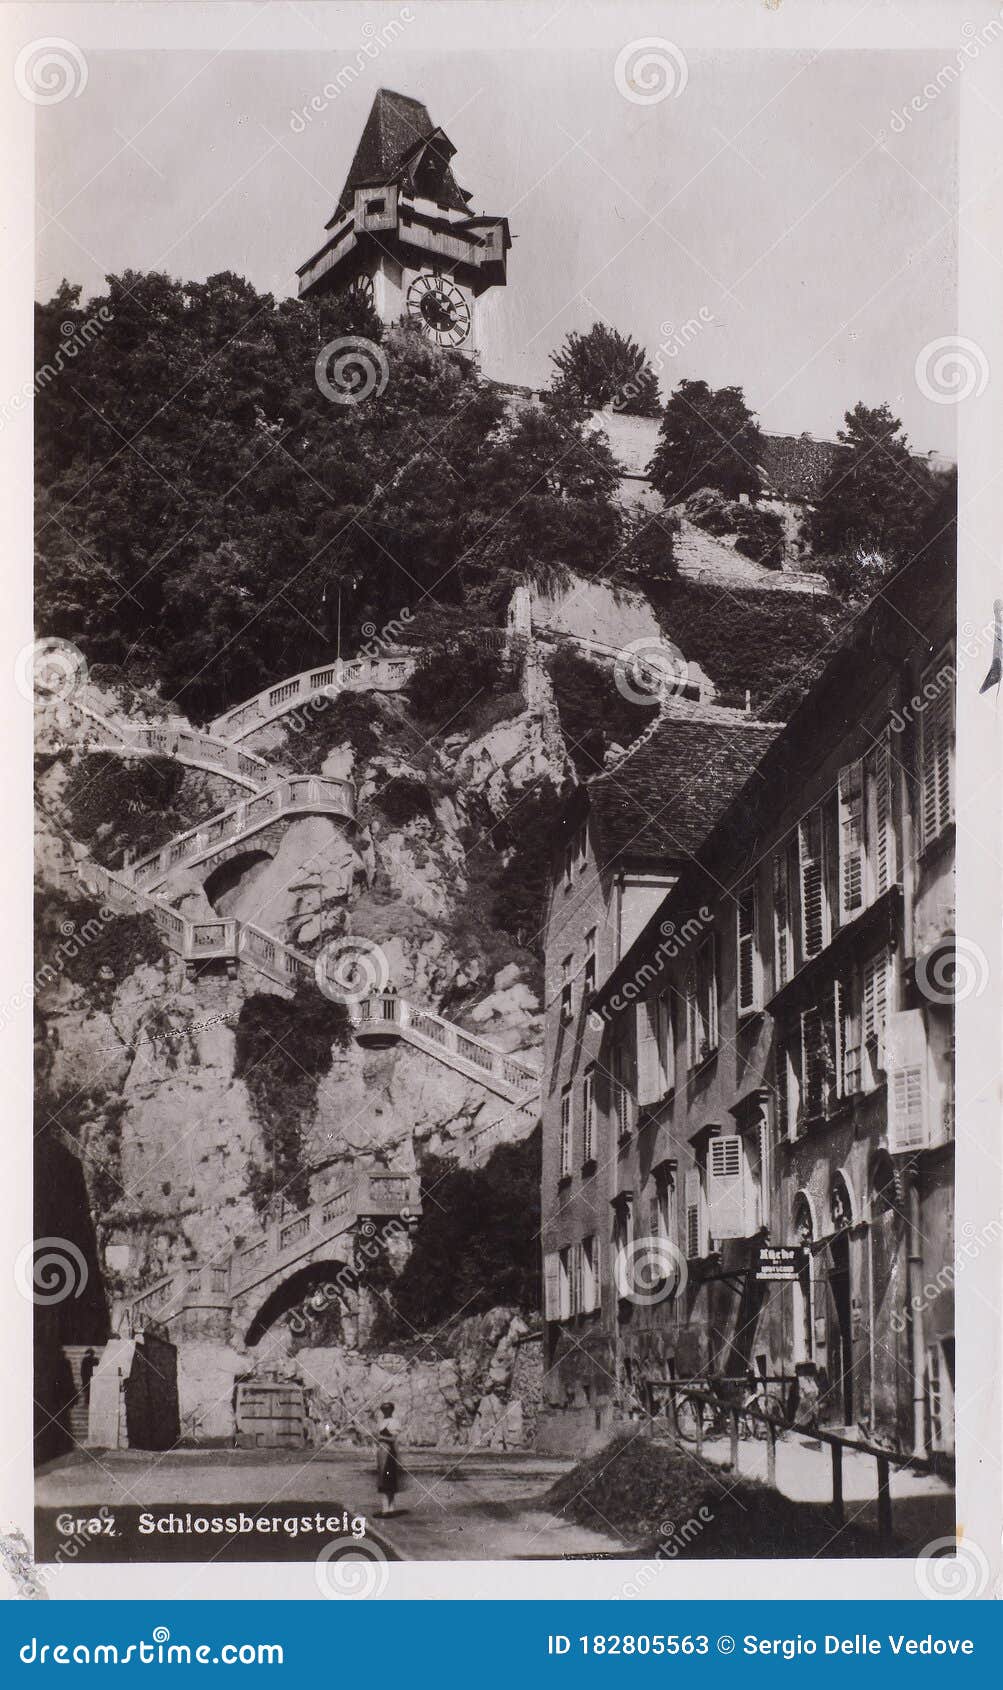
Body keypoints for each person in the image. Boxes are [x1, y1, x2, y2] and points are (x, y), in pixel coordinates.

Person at [374, 1401, 401, 1517]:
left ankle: (390, 1508)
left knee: (388, 1481)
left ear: (391, 1410)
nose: (385, 1411)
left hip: (389, 1453)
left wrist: (381, 1437)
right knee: (383, 1481)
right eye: (383, 1409)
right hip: (381, 1453)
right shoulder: (381, 1423)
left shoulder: (394, 1422)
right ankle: (386, 1508)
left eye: (387, 1409)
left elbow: (394, 1439)